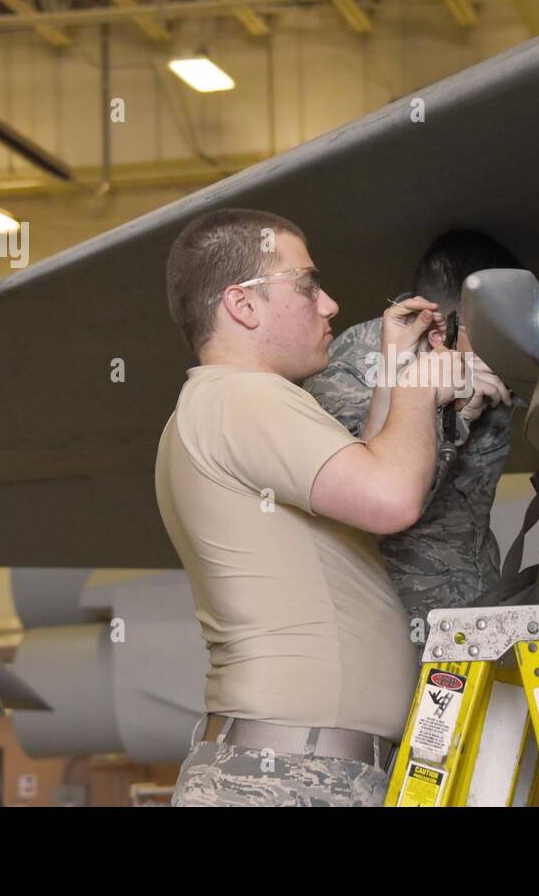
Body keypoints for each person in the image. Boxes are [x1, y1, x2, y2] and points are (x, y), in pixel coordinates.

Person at [156, 208, 460, 806]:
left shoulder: (227, 405)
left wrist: (398, 369)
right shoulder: (242, 399)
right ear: (243, 305)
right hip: (287, 775)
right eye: (306, 286)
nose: (329, 305)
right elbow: (391, 498)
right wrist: (424, 385)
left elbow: (366, 474)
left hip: (299, 771)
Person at [303, 230, 519, 635]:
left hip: (475, 607)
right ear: (441, 332)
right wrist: (456, 419)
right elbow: (373, 506)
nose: (509, 349)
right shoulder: (352, 373)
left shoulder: (483, 350)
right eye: (498, 334)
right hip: (393, 624)